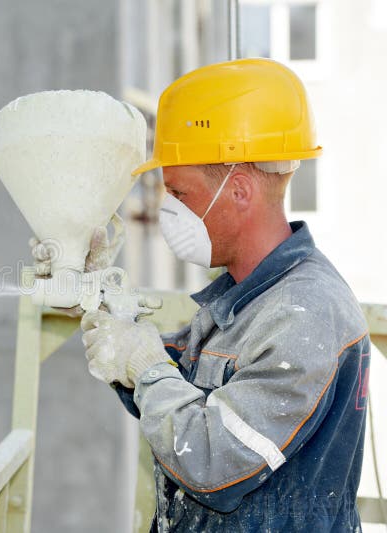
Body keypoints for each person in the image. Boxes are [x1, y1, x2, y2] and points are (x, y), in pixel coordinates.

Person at [79, 58, 371, 531]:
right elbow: (183, 388)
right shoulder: (251, 298)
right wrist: (105, 304)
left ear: (238, 190)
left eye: (180, 192)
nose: (166, 210)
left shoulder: (306, 314)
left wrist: (145, 368)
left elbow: (212, 462)